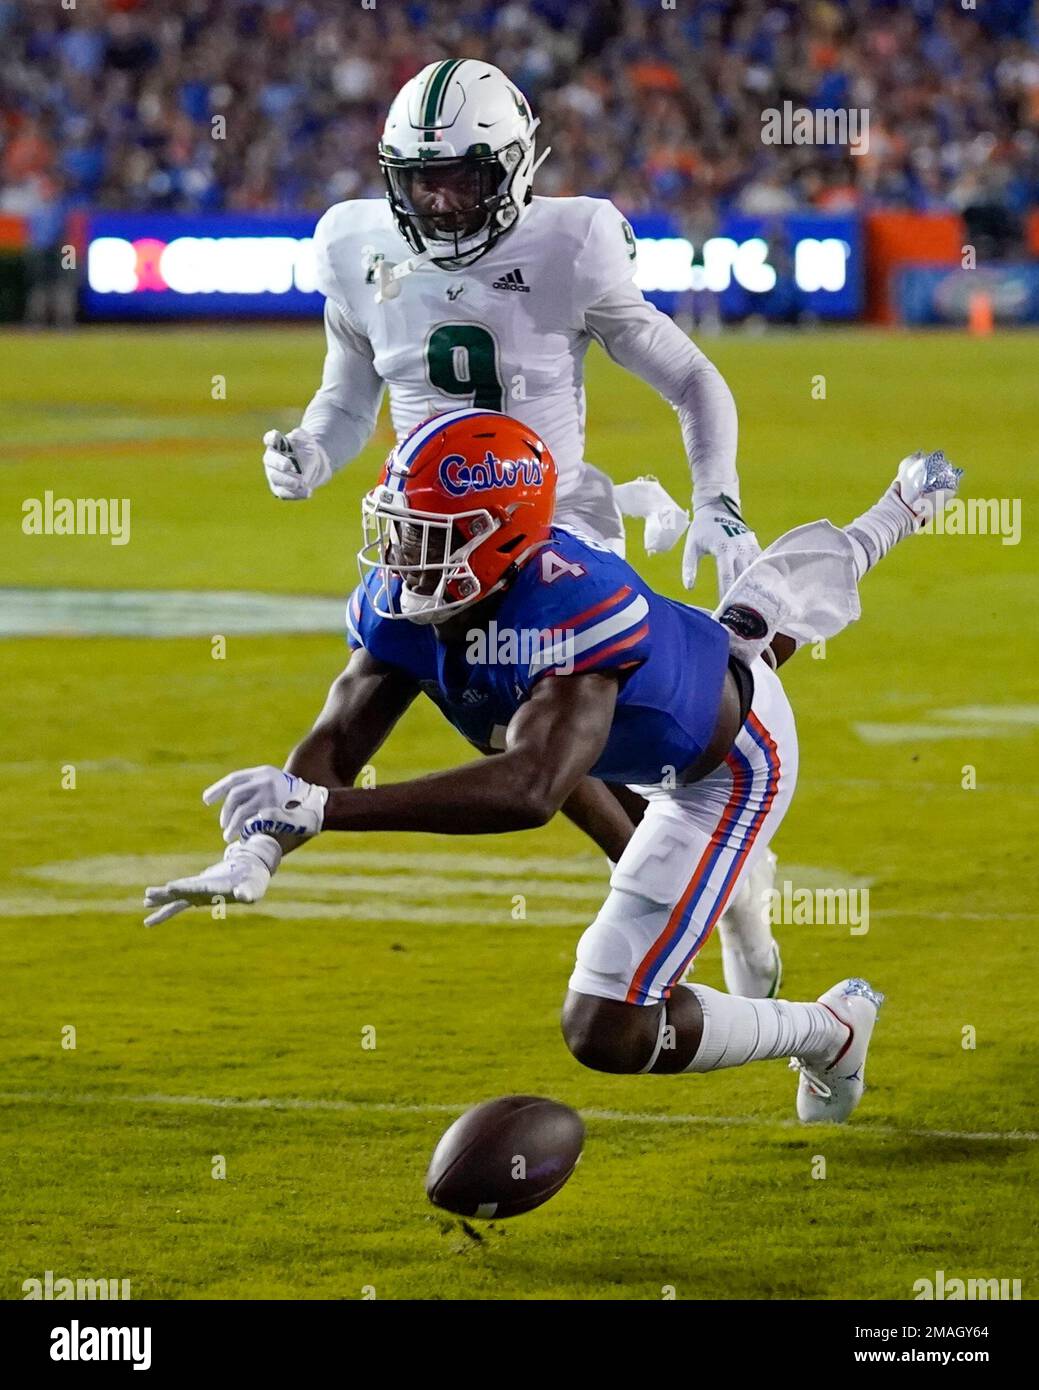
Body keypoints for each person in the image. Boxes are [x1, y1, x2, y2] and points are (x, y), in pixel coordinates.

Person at [145, 410, 962, 1124]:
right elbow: (334, 748)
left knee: (606, 1024)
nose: (398, 555)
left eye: (425, 536)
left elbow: (531, 788)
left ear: (496, 536)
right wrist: (257, 849)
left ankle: (831, 1029)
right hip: (625, 728)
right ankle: (738, 898)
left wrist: (321, 812)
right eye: (395, 527)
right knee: (744, 629)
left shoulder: (568, 604)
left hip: (722, 769)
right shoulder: (411, 600)